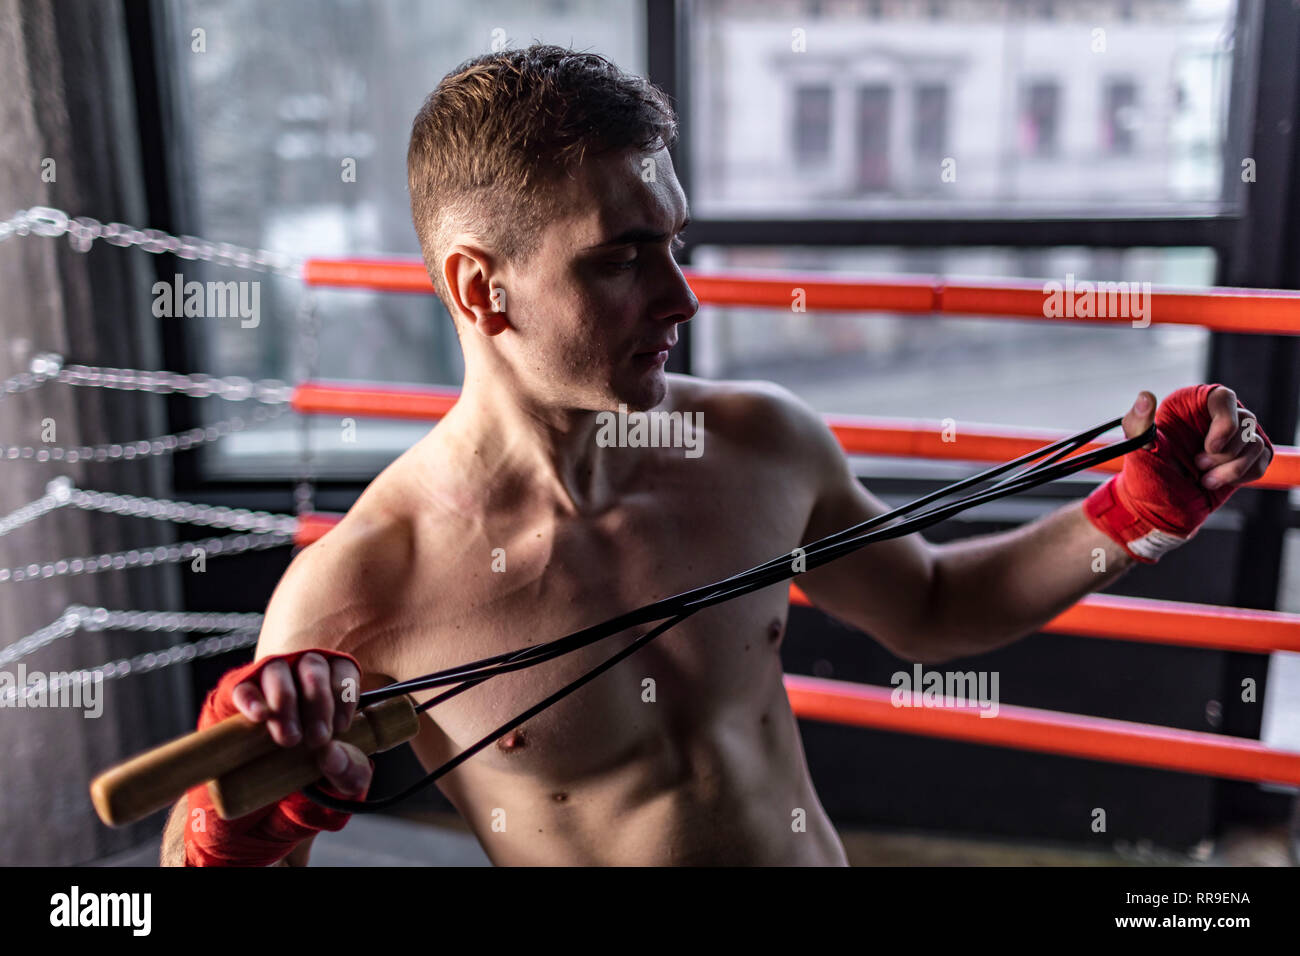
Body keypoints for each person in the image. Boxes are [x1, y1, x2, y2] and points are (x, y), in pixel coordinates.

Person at [161, 44, 1274, 866]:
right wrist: (237, 815)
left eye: (675, 240)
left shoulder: (757, 443)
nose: (682, 295)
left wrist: (1128, 515)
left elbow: (936, 609)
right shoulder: (368, 578)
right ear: (476, 286)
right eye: (622, 256)